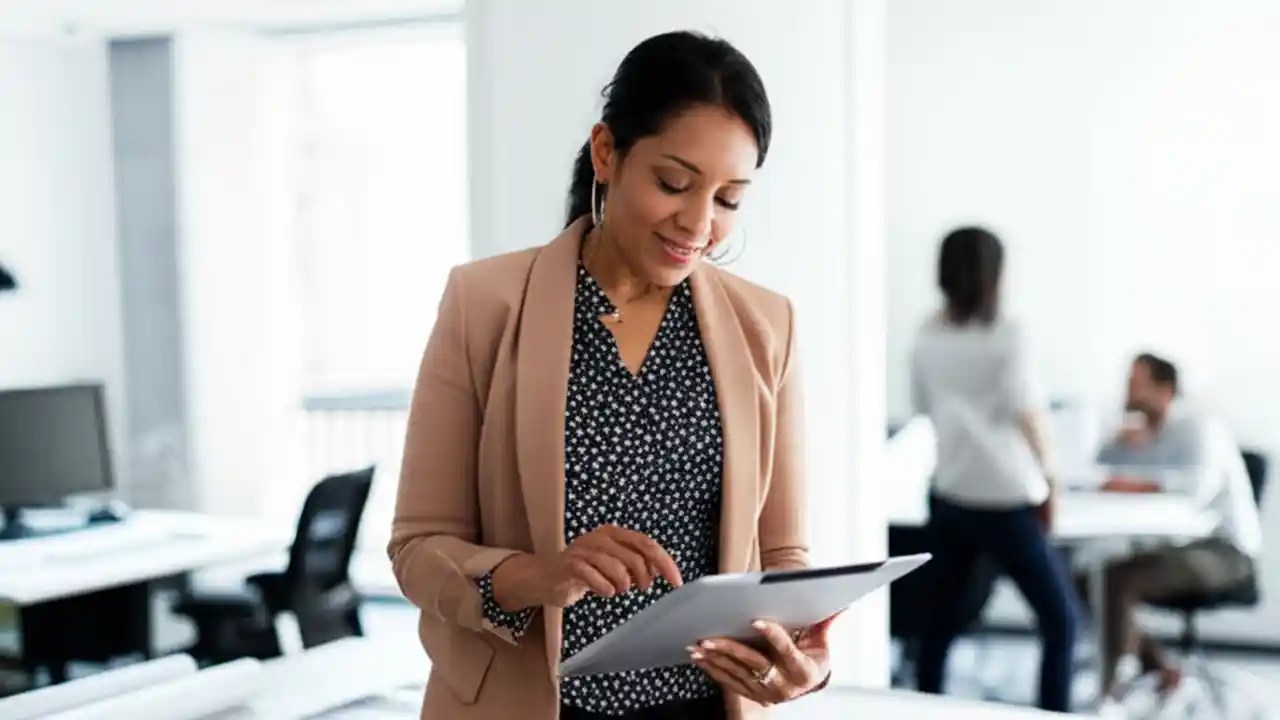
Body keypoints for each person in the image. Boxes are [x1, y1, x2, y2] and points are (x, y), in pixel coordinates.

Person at [388, 32, 831, 720]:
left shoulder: (767, 326)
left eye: (729, 199)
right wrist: (536, 575)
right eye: (674, 184)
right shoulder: (485, 304)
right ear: (606, 152)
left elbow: (782, 555)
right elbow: (418, 550)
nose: (700, 223)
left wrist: (802, 657)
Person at [911, 227, 1079, 712]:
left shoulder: (926, 334)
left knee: (939, 623)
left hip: (949, 490)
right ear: (995, 273)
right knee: (1061, 621)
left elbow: (922, 406)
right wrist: (1052, 479)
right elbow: (1028, 413)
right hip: (1005, 496)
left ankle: (921, 708)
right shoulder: (1009, 333)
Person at [1093, 353, 1263, 704]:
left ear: (1165, 390)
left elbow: (1194, 491)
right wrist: (1119, 442)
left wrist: (1137, 484)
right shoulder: (1146, 432)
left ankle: (1109, 696)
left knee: (1119, 578)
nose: (1128, 393)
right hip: (1174, 549)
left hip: (1224, 552)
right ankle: (1160, 667)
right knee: (1088, 577)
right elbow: (1101, 471)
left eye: (1137, 385)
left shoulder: (1198, 427)